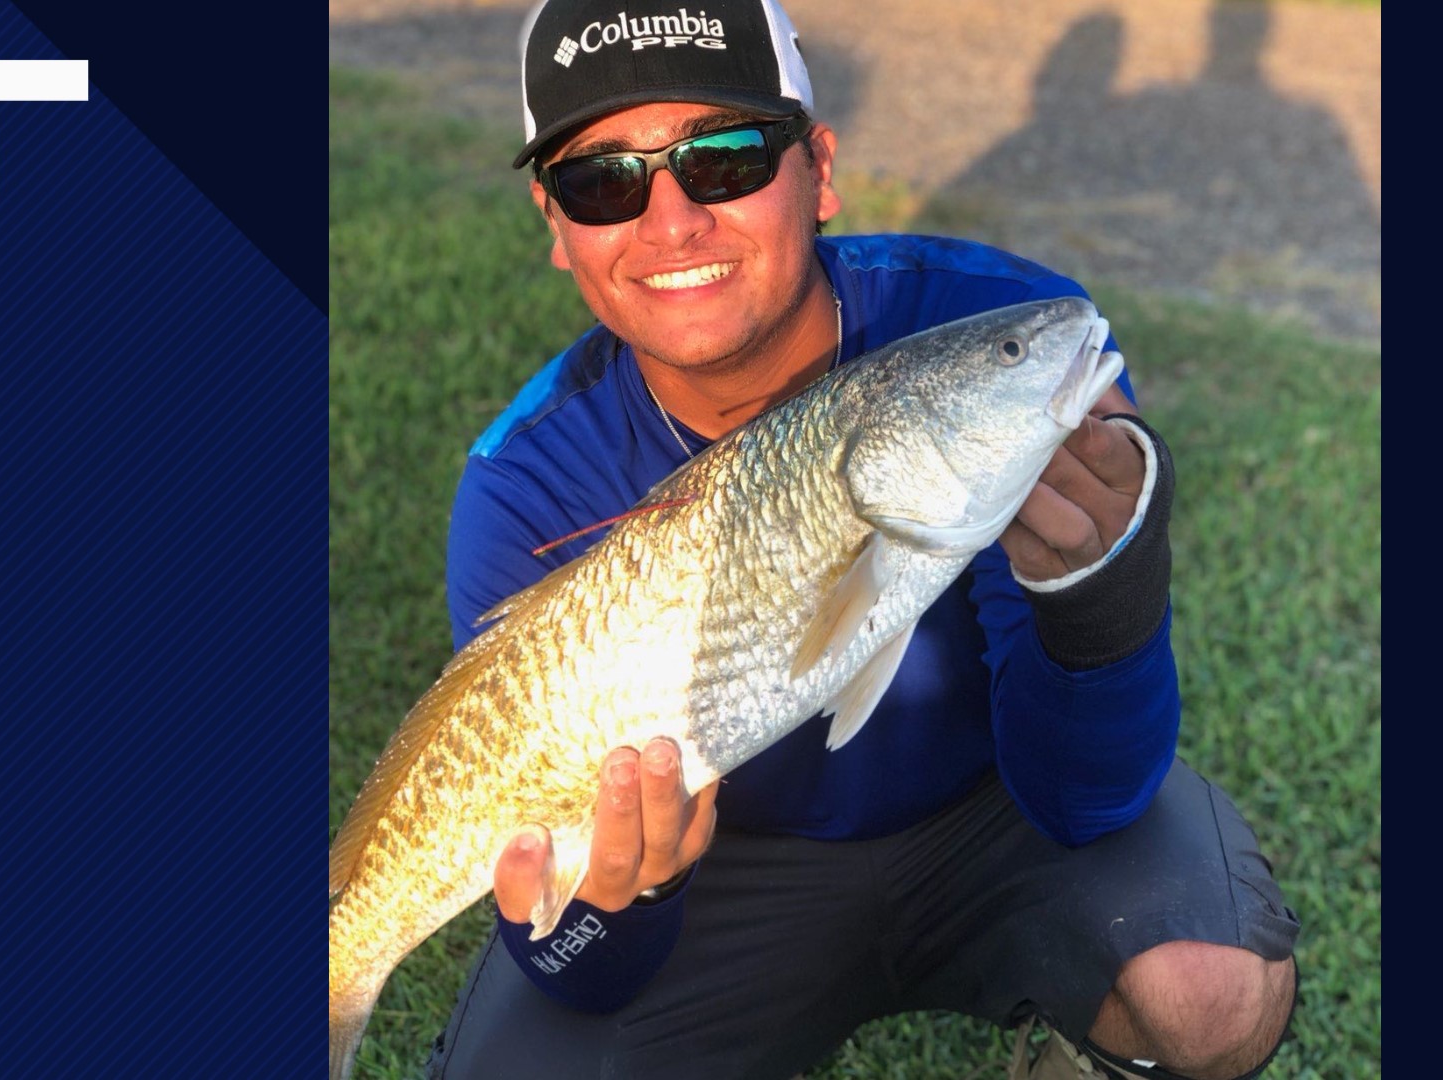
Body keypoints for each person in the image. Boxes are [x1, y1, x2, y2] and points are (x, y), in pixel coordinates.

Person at [427, 2, 1298, 1077]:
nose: (671, 222)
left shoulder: (997, 326)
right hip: (730, 867)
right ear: (557, 227)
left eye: (726, 157)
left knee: (1210, 993)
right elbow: (577, 967)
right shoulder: (523, 487)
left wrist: (1099, 599)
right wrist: (629, 893)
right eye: (602, 182)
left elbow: (1085, 798)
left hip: (992, 807)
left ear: (820, 170)